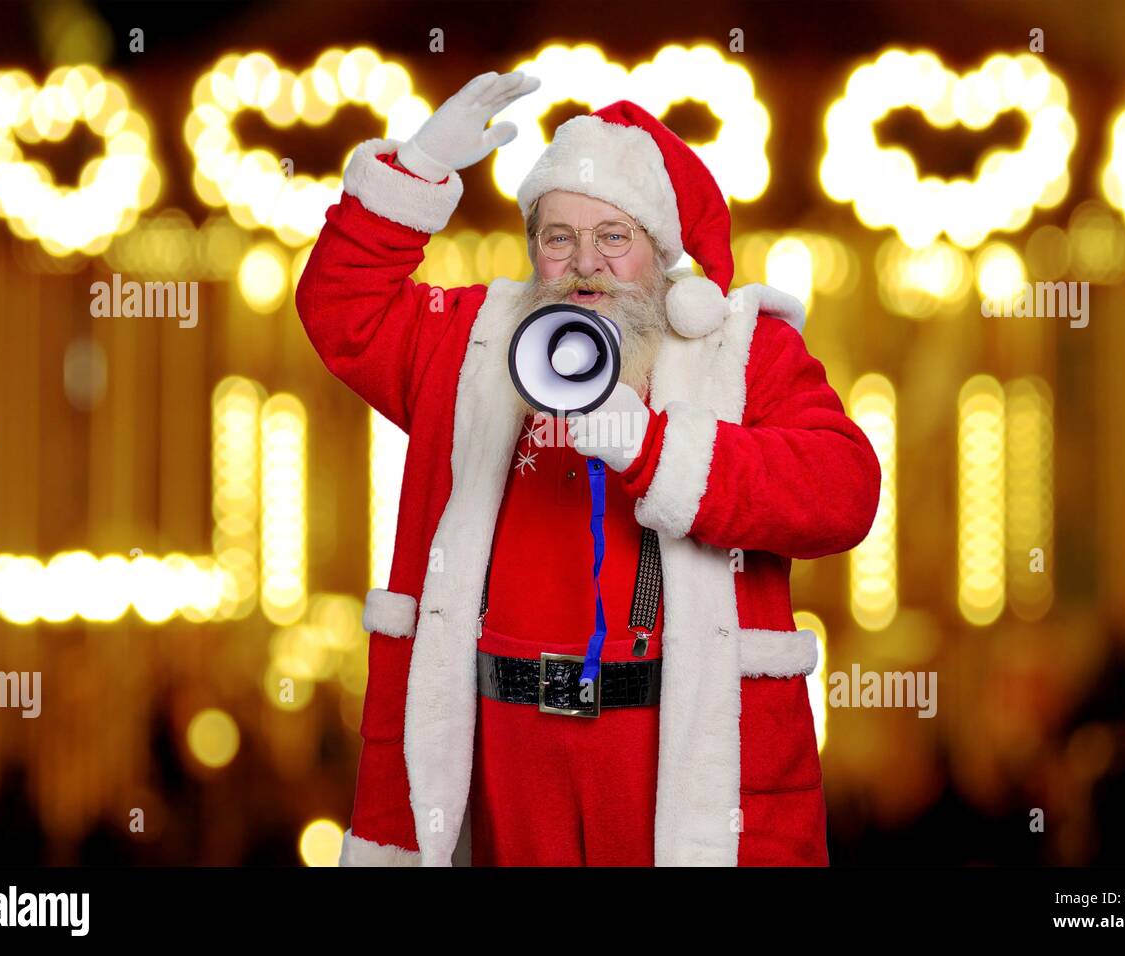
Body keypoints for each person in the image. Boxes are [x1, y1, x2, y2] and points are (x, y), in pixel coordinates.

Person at [296, 70, 881, 866]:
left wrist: (657, 450)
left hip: (669, 748)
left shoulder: (738, 354)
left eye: (614, 237)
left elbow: (843, 491)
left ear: (659, 252)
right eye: (558, 237)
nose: (584, 265)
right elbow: (344, 308)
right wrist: (420, 169)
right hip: (504, 748)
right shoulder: (472, 345)